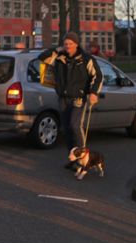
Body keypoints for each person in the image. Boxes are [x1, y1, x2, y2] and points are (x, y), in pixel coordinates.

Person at [38, 32, 102, 160]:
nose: (68, 46)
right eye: (65, 43)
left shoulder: (86, 59)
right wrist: (57, 49)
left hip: (79, 98)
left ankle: (83, 157)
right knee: (66, 129)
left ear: (76, 44)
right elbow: (42, 57)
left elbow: (98, 76)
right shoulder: (59, 58)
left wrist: (94, 93)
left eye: (71, 43)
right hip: (63, 98)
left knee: (75, 125)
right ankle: (73, 157)